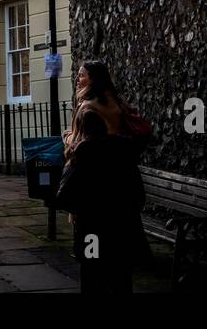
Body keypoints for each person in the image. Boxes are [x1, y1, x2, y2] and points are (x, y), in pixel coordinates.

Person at [55, 106, 144, 293]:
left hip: (91, 230)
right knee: (121, 277)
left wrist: (82, 210)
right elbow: (138, 194)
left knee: (91, 273)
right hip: (122, 229)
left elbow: (63, 197)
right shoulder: (124, 149)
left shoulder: (83, 152)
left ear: (80, 129)